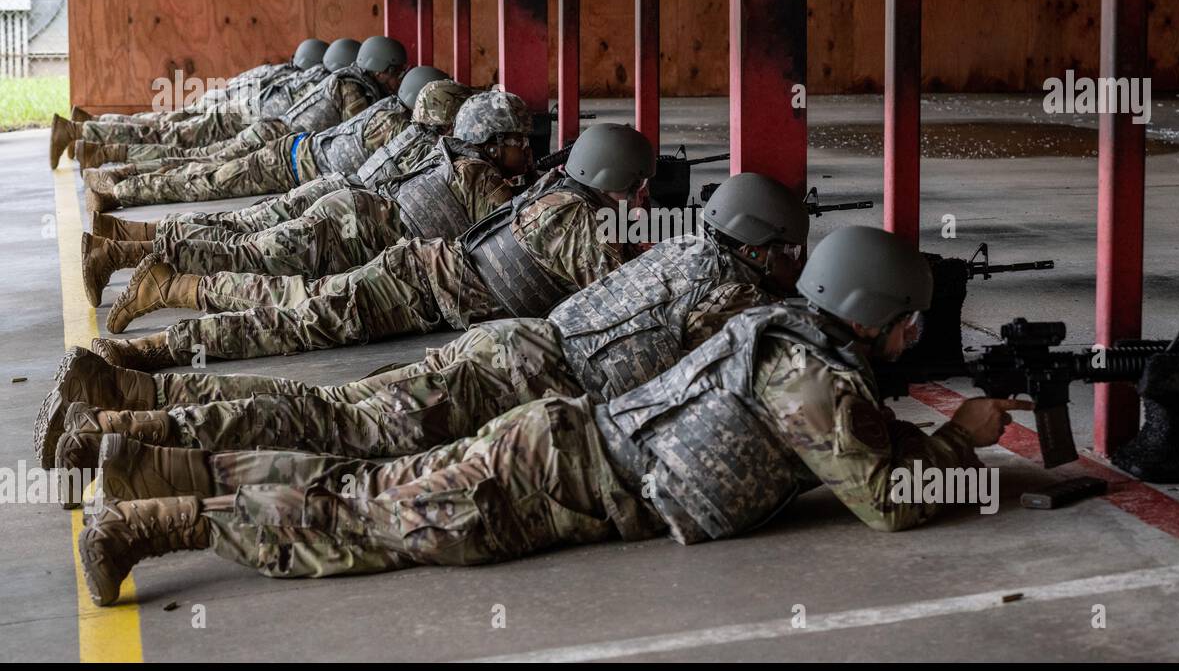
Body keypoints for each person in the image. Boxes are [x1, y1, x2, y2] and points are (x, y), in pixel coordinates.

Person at [74, 225, 1033, 606]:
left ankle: (148, 461)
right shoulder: (810, 380)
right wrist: (967, 439)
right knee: (353, 517)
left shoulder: (783, 333)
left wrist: (937, 437)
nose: (915, 338)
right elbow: (890, 499)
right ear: (876, 321)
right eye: (908, 323)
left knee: (353, 472)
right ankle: (153, 518)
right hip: (556, 478)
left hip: (556, 441)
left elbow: (861, 440)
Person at [47, 172, 809, 465]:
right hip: (509, 365)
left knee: (322, 392)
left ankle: (135, 394)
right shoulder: (727, 293)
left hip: (495, 340)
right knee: (326, 419)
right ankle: (130, 422)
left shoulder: (658, 248)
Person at [89, 123, 656, 370]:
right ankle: (156, 345)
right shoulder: (576, 222)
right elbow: (618, 297)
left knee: (293, 296)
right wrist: (652, 237)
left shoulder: (557, 196)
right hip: (420, 287)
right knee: (297, 318)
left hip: (415, 268)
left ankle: (168, 287)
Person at [98, 88, 533, 329]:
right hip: (351, 227)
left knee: (237, 235)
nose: (528, 151)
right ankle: (131, 259)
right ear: (492, 142)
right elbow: (515, 226)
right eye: (520, 143)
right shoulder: (480, 176)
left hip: (344, 206)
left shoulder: (443, 150)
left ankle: (126, 250)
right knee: (249, 254)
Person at [82, 36, 412, 213]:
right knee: (202, 174)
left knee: (196, 160)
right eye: (395, 72)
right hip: (276, 142)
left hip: (272, 135)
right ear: (381, 67)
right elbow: (358, 133)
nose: (396, 80)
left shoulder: (340, 78)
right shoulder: (353, 89)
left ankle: (115, 169)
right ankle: (117, 185)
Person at [48, 38, 337, 170]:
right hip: (231, 116)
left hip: (221, 104)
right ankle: (85, 134)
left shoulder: (281, 71)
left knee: (160, 124)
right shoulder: (312, 85)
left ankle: (88, 126)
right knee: (166, 136)